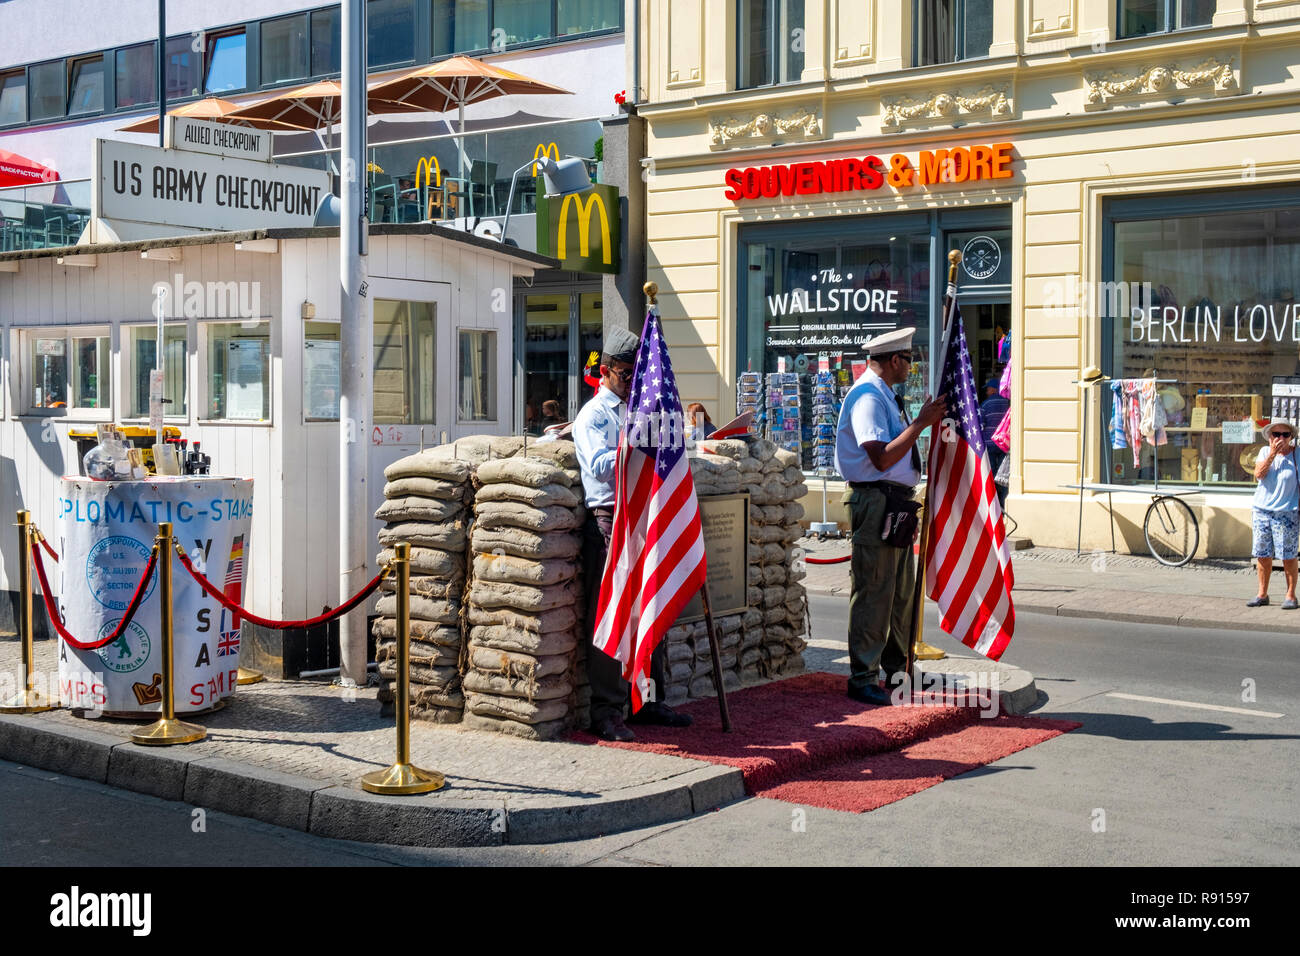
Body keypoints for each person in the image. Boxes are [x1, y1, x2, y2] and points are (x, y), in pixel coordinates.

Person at [573, 327, 692, 741]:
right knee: (614, 612)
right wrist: (634, 441)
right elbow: (600, 467)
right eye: (626, 375)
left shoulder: (637, 409)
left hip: (645, 515)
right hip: (611, 519)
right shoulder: (594, 416)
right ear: (605, 372)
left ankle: (648, 699)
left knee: (649, 606)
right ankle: (606, 711)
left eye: (637, 375)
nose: (632, 382)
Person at [834, 327, 946, 706]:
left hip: (893, 502)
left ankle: (900, 671)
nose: (911, 368)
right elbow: (880, 456)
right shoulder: (868, 396)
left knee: (900, 593)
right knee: (874, 591)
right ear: (894, 360)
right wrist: (920, 424)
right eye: (909, 360)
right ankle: (863, 676)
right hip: (876, 500)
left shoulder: (884, 395)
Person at [1249, 419, 1299, 609]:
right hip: (1262, 511)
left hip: (1287, 513)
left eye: (1285, 435)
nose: (1280, 438)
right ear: (1269, 437)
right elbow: (1258, 475)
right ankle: (1262, 594)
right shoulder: (1264, 452)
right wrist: (1272, 454)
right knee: (1262, 555)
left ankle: (1291, 595)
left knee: (1288, 556)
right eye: (1276, 434)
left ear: (1291, 437)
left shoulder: (1297, 455)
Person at [979, 376, 1010, 507]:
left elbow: (980, 425)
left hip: (990, 443)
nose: (986, 392)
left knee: (991, 474)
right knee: (1004, 476)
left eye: (988, 389)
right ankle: (1003, 503)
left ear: (993, 390)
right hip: (1004, 444)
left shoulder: (985, 404)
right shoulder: (1008, 403)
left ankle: (993, 505)